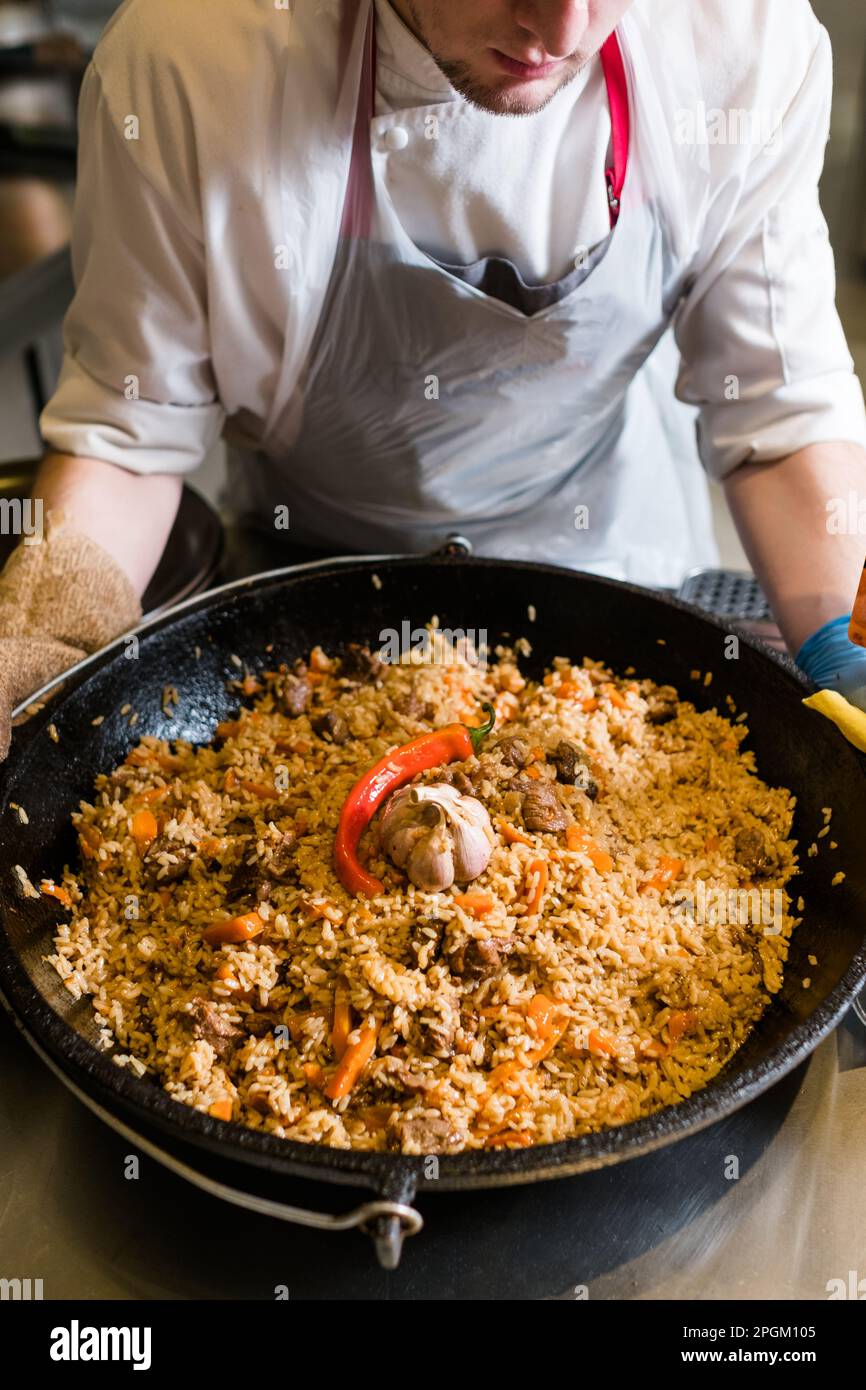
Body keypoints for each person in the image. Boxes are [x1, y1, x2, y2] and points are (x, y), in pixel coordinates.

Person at [2, 0, 866, 759]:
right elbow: (130, 440)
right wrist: (37, 658)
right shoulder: (192, 58)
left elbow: (779, 409)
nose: (558, 28)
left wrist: (846, 655)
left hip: (609, 581)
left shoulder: (742, 39)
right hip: (306, 590)